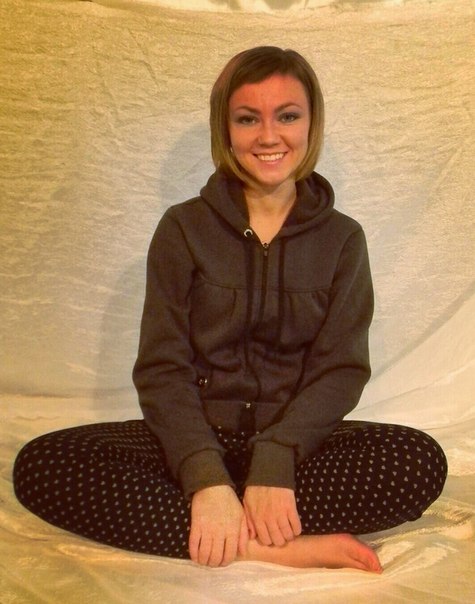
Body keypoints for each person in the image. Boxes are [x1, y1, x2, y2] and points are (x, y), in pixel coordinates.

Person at [13, 46, 447, 573]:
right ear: (225, 128)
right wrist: (205, 477)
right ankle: (266, 543)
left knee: (418, 461)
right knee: (42, 464)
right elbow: (162, 367)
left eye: (287, 116)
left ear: (312, 123)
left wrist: (276, 459)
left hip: (297, 448)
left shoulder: (343, 240)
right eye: (247, 119)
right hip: (195, 437)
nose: (268, 136)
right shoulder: (183, 228)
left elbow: (341, 369)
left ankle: (228, 525)